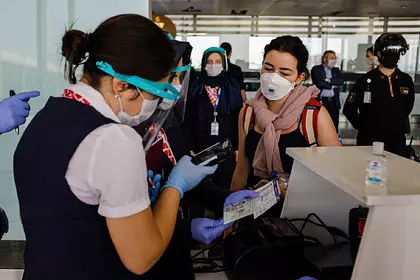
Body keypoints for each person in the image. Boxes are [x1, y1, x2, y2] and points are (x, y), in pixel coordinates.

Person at [13, 14, 219, 280]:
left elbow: (37, 215)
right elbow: (141, 257)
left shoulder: (46, 116)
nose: (154, 106)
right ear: (120, 84)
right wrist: (174, 188)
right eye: (155, 94)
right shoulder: (115, 139)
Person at [136, 37, 258, 279]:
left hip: (172, 251)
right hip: (139, 256)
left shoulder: (167, 123)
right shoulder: (125, 132)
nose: (179, 86)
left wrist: (224, 199)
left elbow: (189, 178)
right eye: (173, 77)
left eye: (182, 77)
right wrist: (185, 229)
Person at [231, 36, 341, 193]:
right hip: (254, 207)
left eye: (284, 73)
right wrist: (231, 210)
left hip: (302, 213)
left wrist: (288, 192)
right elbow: (242, 168)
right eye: (268, 69)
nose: (274, 77)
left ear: (299, 77)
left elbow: (335, 176)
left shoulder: (314, 116)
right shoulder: (248, 112)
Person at [343, 33, 414, 158]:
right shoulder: (365, 80)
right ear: (379, 54)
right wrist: (366, 127)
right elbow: (349, 109)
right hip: (370, 141)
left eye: (396, 54)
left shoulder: (405, 80)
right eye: (389, 53)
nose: (393, 57)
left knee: (399, 174)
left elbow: (407, 107)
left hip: (397, 141)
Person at [186, 47, 243, 189]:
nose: (213, 65)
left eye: (217, 61)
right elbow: (188, 120)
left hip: (226, 147)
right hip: (200, 147)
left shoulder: (232, 86)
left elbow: (238, 118)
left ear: (224, 64)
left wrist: (238, 147)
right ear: (204, 64)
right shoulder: (195, 86)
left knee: (224, 187)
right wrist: (189, 147)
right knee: (199, 189)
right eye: (209, 61)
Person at [311, 50, 344, 132]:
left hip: (334, 102)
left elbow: (340, 81)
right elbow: (319, 83)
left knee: (334, 126)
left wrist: (327, 80)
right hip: (321, 101)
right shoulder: (316, 69)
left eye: (335, 58)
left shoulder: (336, 70)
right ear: (325, 59)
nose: (334, 60)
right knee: (320, 126)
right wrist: (332, 85)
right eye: (332, 58)